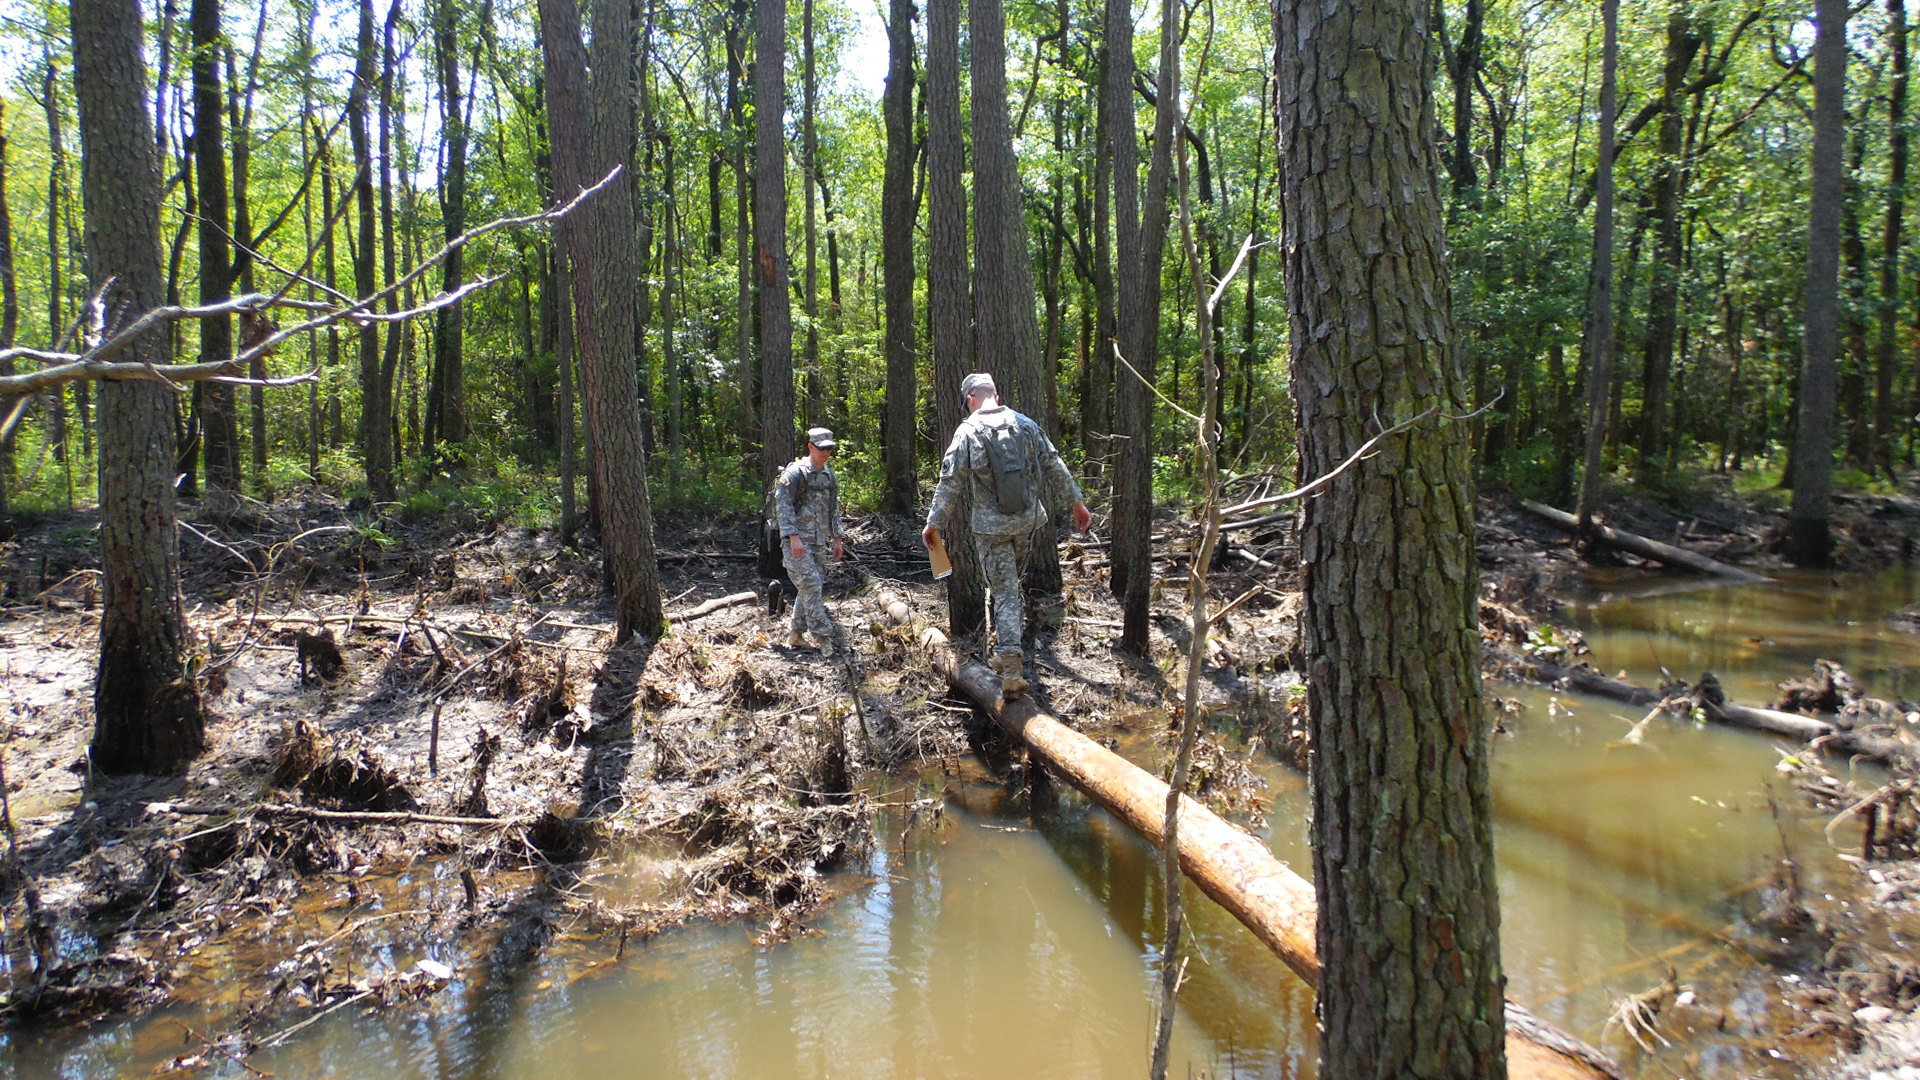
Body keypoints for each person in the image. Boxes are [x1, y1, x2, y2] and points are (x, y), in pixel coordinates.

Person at [921, 373, 1091, 697]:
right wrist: (1077, 503)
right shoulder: (1025, 424)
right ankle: (1004, 654)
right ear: (995, 395)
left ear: (970, 399)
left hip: (992, 529)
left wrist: (934, 523)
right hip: (1026, 523)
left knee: (1005, 592)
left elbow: (950, 481)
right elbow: (1052, 462)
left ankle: (1012, 669)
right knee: (1009, 589)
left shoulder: (967, 431)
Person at [774, 428, 847, 654]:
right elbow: (783, 506)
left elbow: (833, 509)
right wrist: (793, 537)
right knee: (811, 585)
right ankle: (823, 637)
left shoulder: (828, 476)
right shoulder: (795, 473)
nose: (827, 452)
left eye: (830, 448)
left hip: (818, 541)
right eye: (822, 448)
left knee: (810, 588)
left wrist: (837, 538)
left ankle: (796, 634)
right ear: (810, 447)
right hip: (797, 542)